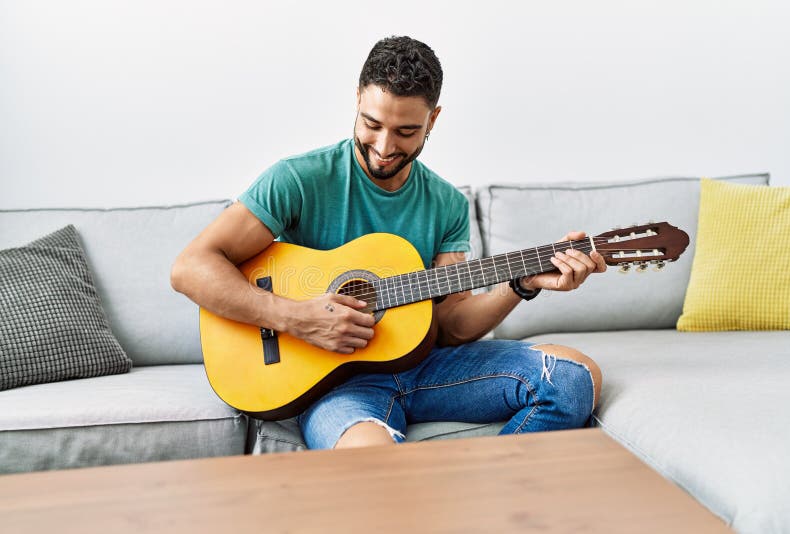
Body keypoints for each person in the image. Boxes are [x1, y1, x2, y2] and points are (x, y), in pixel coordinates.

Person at [171, 36, 607, 450]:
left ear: (433, 120)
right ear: (358, 99)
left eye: (405, 131)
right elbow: (190, 267)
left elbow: (453, 322)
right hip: (336, 384)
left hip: (429, 369)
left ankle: (488, 490)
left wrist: (520, 284)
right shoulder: (298, 180)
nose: (383, 146)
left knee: (574, 378)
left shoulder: (446, 203)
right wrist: (295, 317)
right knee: (375, 467)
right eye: (372, 124)